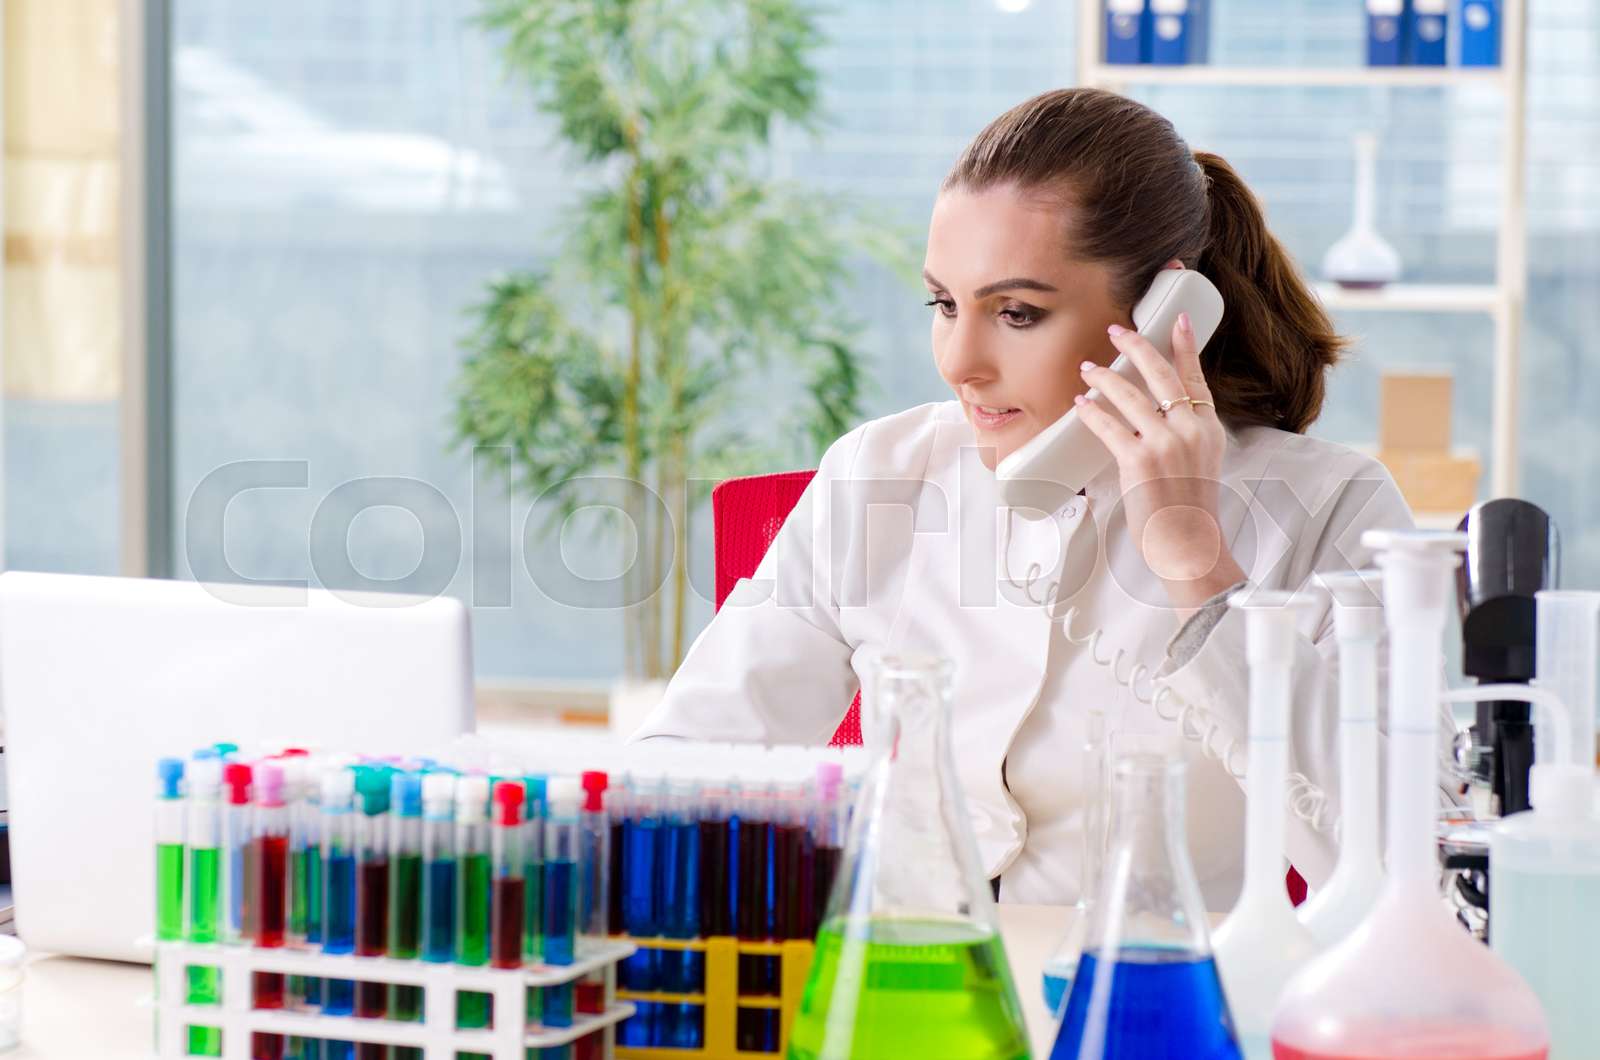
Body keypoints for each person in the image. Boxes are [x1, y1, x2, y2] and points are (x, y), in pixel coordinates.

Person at [634, 87, 1418, 910]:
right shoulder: (881, 472)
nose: (958, 361)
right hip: (913, 1001)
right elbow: (683, 777)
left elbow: (1405, 878)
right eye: (943, 304)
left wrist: (1198, 569)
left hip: (1148, 1013)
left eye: (1016, 312)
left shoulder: (1333, 507)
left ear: (1164, 315)